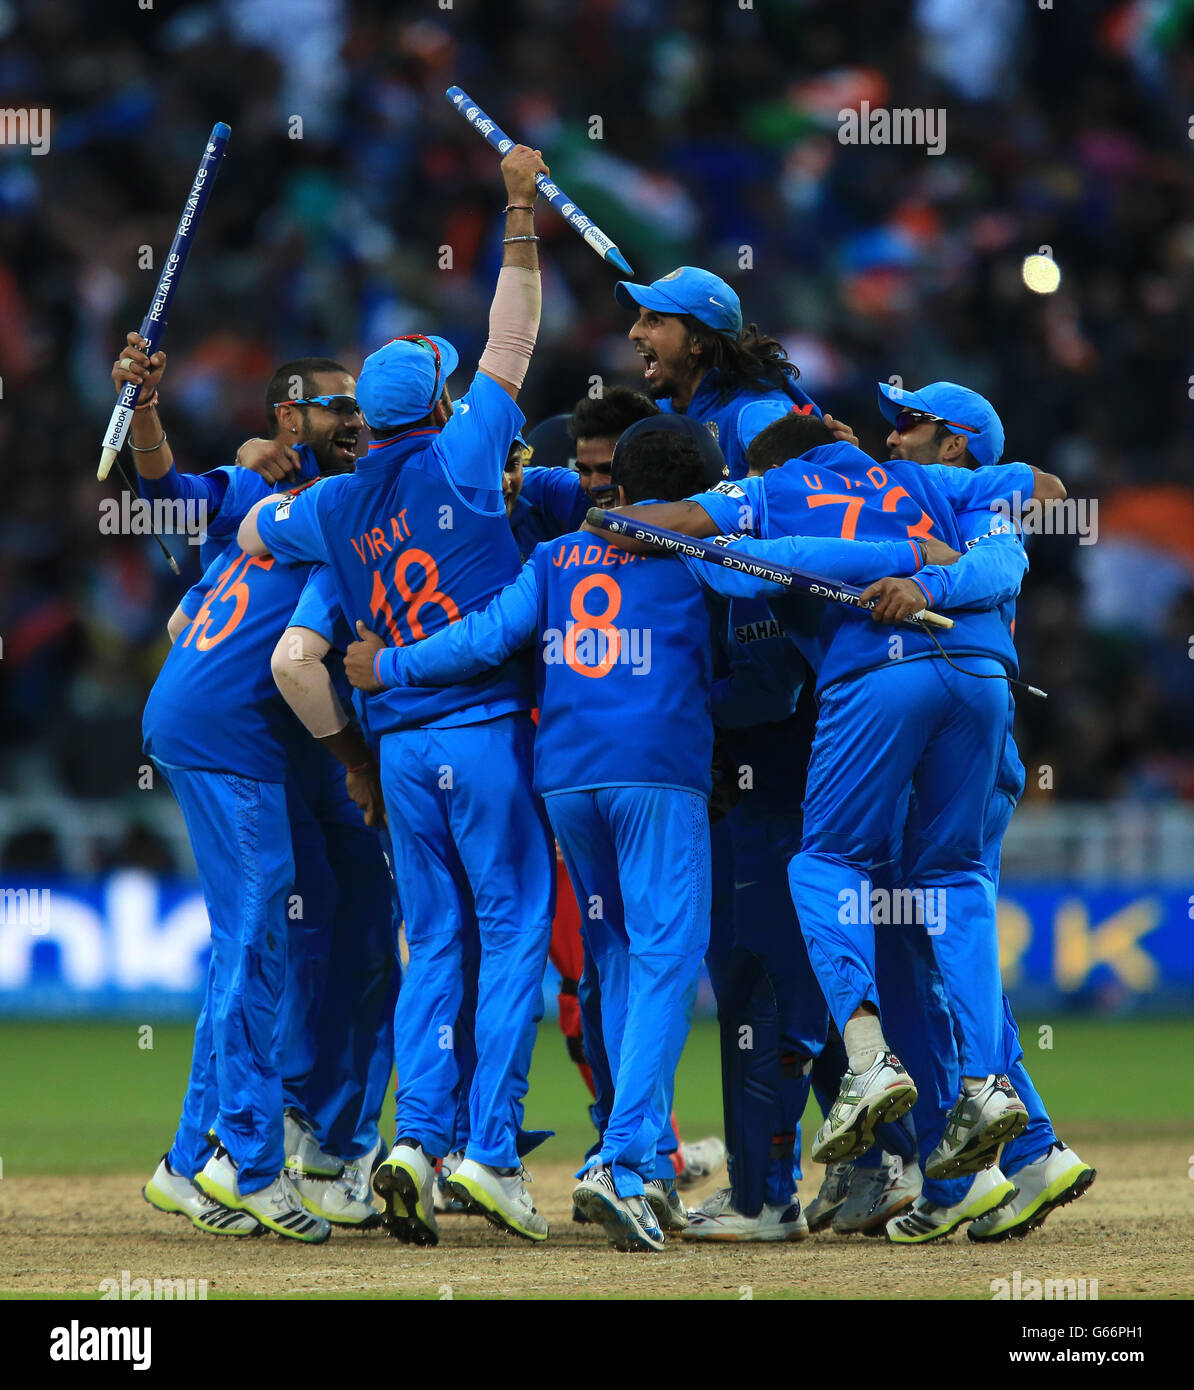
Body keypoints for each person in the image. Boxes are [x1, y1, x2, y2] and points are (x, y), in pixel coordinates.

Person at [342, 427, 941, 1250]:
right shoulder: (704, 556)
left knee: (616, 954)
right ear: (701, 489)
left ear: (617, 483)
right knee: (667, 959)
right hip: (657, 776)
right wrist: (904, 560)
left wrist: (393, 668)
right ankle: (623, 1163)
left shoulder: (554, 557)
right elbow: (799, 583)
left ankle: (645, 1161)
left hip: (567, 782)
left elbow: (484, 638)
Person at [602, 412, 1060, 1183]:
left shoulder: (767, 488)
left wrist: (628, 514)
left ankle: (869, 1055)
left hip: (879, 675)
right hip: (983, 678)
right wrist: (917, 560)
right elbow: (1043, 494)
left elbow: (653, 528)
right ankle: (988, 1086)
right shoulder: (940, 482)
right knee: (954, 884)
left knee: (823, 865)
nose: (887, 436)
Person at [238, 144, 557, 1247]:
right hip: (480, 734)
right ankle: (490, 1150)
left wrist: (267, 473)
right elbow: (513, 332)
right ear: (436, 398)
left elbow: (245, 528)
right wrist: (518, 205)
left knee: (435, 942)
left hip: (400, 756)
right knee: (514, 935)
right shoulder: (469, 455)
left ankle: (415, 1137)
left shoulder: (332, 504)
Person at [117, 340, 396, 1238]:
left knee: (265, 942)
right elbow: (161, 495)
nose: (353, 422)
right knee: (254, 943)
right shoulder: (279, 495)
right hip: (230, 729)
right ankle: (250, 1157)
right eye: (336, 409)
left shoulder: (292, 497)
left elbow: (187, 603)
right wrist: (147, 407)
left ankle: (192, 1158)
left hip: (246, 730)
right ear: (288, 417)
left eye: (361, 410)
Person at [872, 381, 1095, 1243]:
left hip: (961, 754)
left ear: (956, 444)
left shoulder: (979, 499)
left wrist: (928, 574)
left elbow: (1009, 556)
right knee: (935, 956)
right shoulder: (928, 493)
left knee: (941, 952)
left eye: (910, 423)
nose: (894, 435)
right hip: (949, 750)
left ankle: (1025, 1150)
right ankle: (1024, 1153)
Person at [615, 265, 834, 479]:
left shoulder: (758, 416)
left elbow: (808, 503)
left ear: (697, 341)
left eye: (654, 322)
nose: (633, 333)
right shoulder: (662, 411)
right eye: (639, 319)